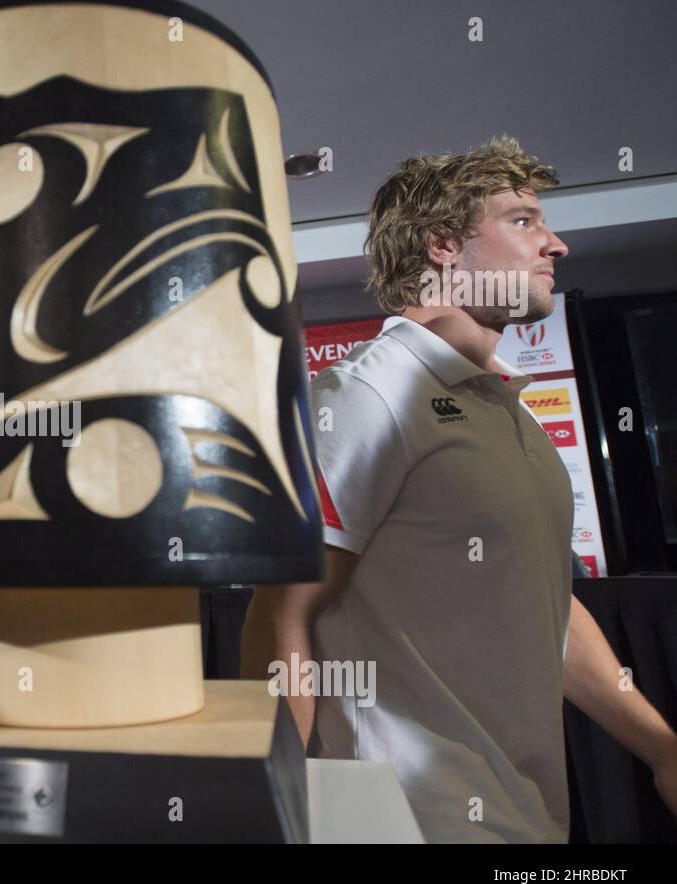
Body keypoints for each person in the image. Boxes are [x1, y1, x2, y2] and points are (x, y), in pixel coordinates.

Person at [242, 136, 677, 842]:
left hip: (525, 815)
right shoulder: (365, 395)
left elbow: (547, 606)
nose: (555, 244)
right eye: (524, 221)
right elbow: (282, 613)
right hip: (397, 821)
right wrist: (277, 807)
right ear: (444, 245)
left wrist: (663, 748)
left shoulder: (510, 413)